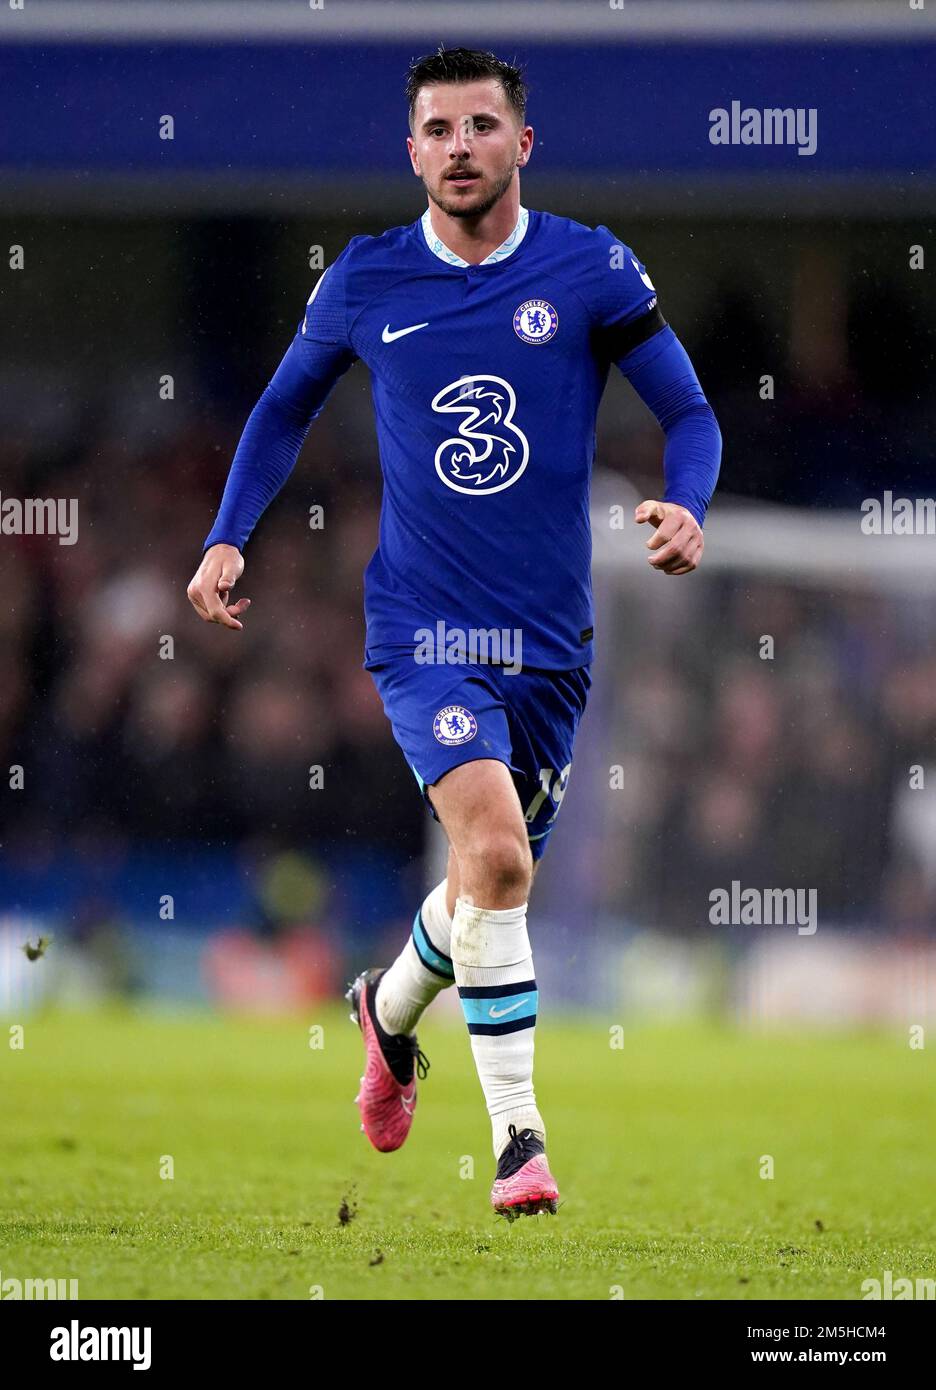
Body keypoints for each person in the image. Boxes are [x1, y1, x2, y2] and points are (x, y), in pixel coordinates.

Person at [187, 46, 721, 1220]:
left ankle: (385, 1011)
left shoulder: (589, 267)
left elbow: (689, 409)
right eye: (440, 128)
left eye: (484, 125)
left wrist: (690, 501)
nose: (462, 146)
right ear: (413, 150)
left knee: (486, 878)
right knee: (501, 857)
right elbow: (282, 408)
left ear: (522, 144)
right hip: (423, 626)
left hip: (552, 644)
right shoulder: (368, 281)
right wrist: (230, 533)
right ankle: (519, 1141)